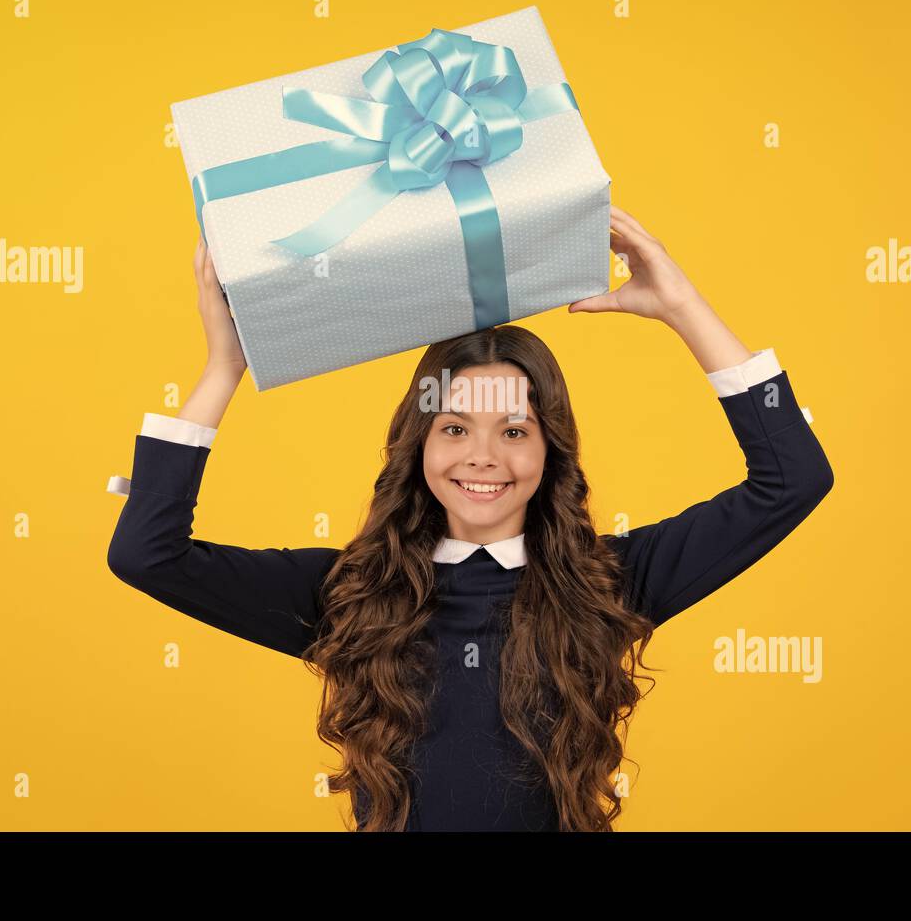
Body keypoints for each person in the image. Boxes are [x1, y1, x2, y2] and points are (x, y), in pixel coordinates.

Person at [106, 204, 834, 831]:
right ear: (418, 441)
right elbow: (147, 554)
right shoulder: (346, 593)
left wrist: (681, 306)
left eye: (513, 431)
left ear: (552, 449)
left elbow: (792, 478)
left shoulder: (615, 581)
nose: (482, 456)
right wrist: (223, 366)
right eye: (456, 428)